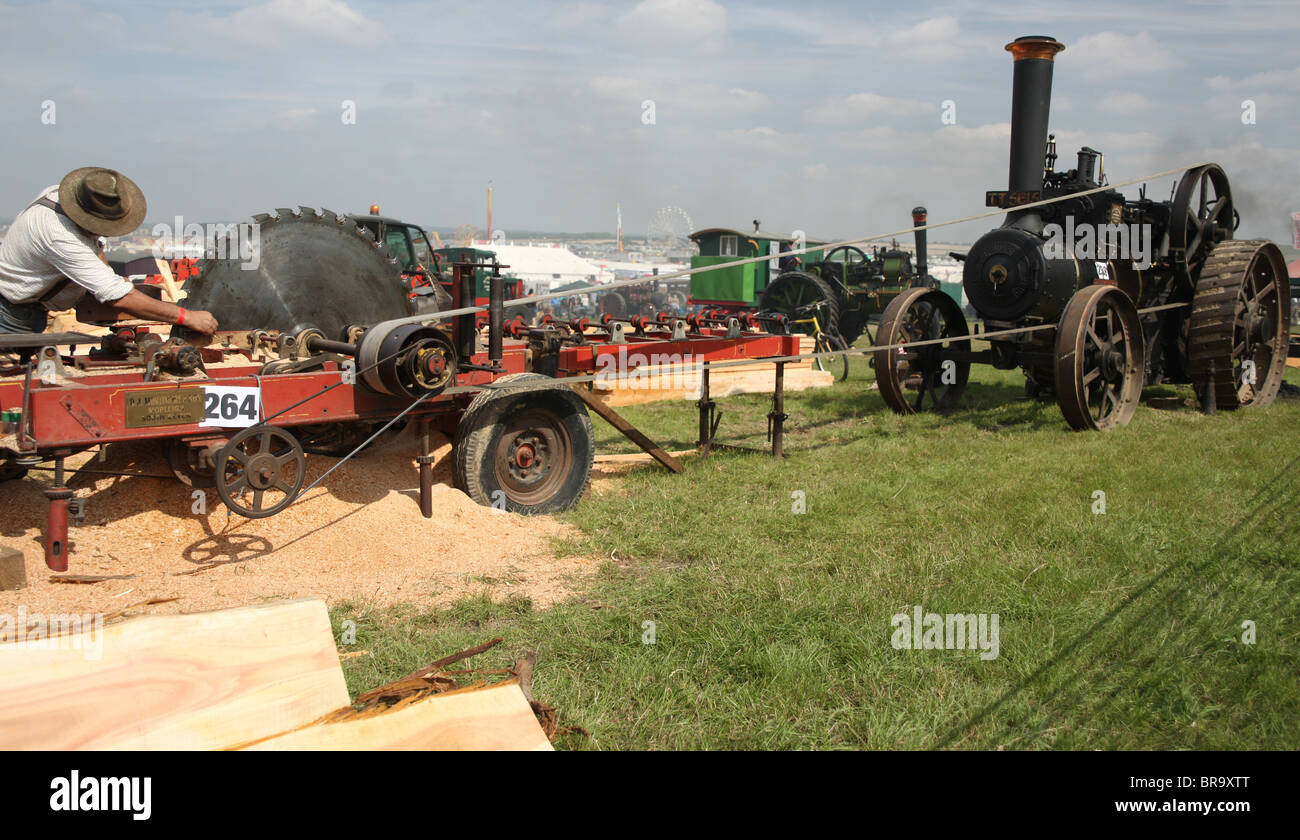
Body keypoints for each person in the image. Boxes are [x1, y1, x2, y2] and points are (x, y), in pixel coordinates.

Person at [0, 167, 218, 335]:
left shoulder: (60, 197)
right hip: (10, 317)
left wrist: (108, 278)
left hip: (23, 310)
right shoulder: (57, 233)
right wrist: (186, 316)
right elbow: (118, 297)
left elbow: (93, 245)